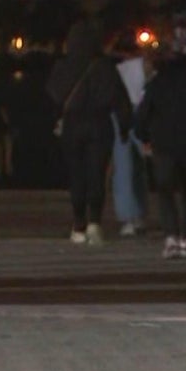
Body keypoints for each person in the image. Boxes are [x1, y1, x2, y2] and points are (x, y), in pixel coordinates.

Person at [45, 18, 133, 245]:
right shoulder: (104, 67)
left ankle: (78, 224)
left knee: (76, 175)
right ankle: (95, 223)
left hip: (73, 125)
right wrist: (125, 127)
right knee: (96, 174)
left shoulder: (62, 67)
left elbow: (52, 96)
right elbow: (119, 100)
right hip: (99, 123)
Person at [135, 24, 186, 259]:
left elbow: (143, 113)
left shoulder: (159, 80)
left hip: (163, 143)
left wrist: (144, 137)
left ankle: (170, 236)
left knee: (165, 191)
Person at [112, 45, 150, 236]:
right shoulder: (142, 66)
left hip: (120, 114)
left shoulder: (119, 69)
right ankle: (137, 214)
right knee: (136, 167)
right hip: (137, 112)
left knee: (124, 168)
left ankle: (129, 217)